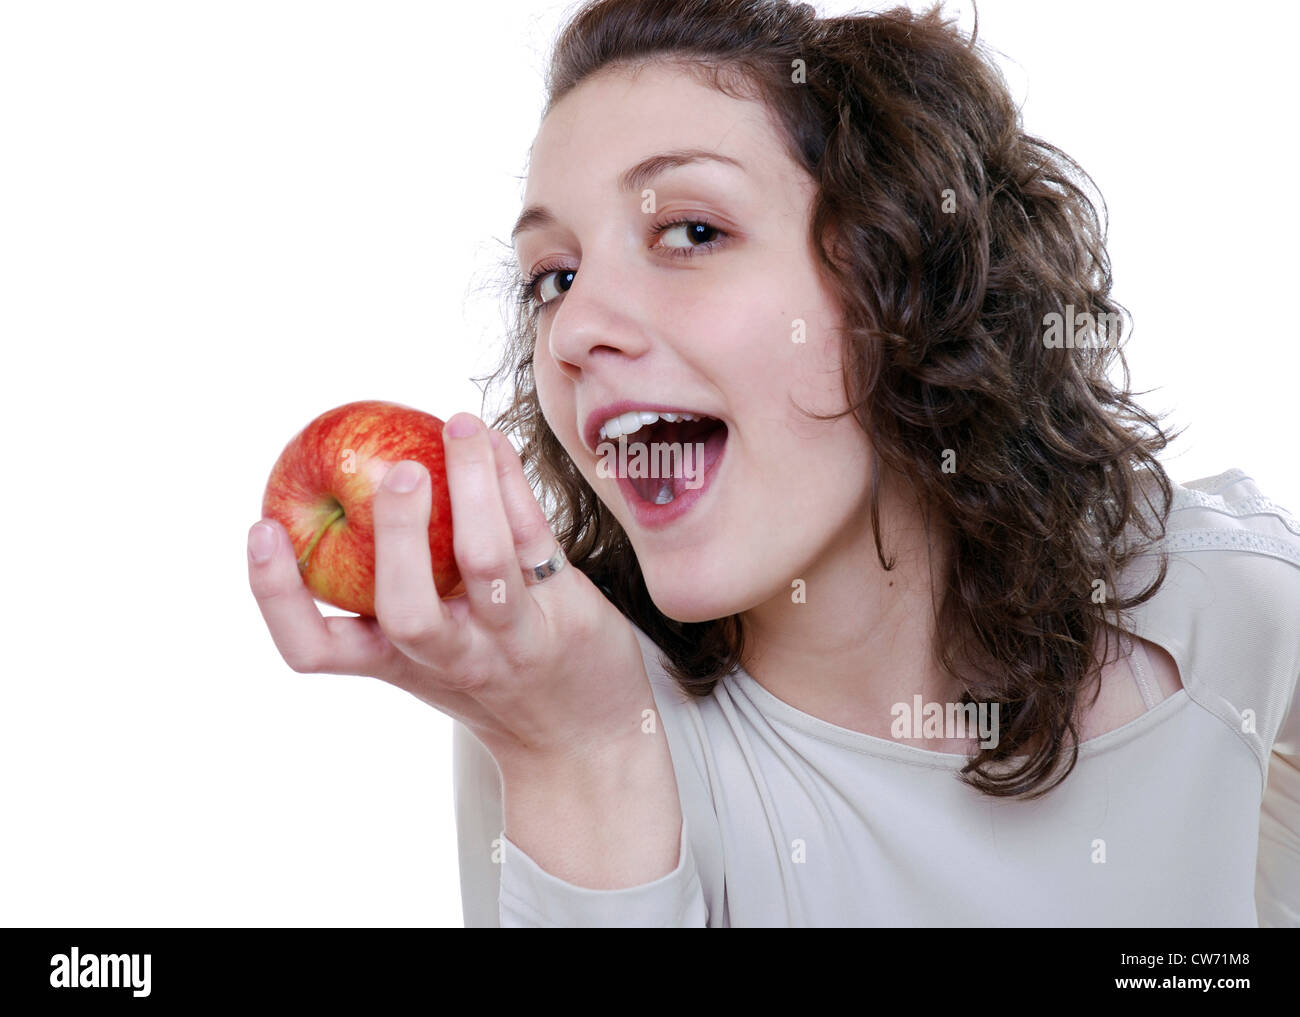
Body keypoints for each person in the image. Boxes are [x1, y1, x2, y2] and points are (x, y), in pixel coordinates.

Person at [249, 0, 1300, 927]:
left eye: (691, 231)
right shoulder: (556, 708)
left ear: (900, 279)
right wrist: (578, 760)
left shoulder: (1224, 608)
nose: (573, 330)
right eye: (553, 276)